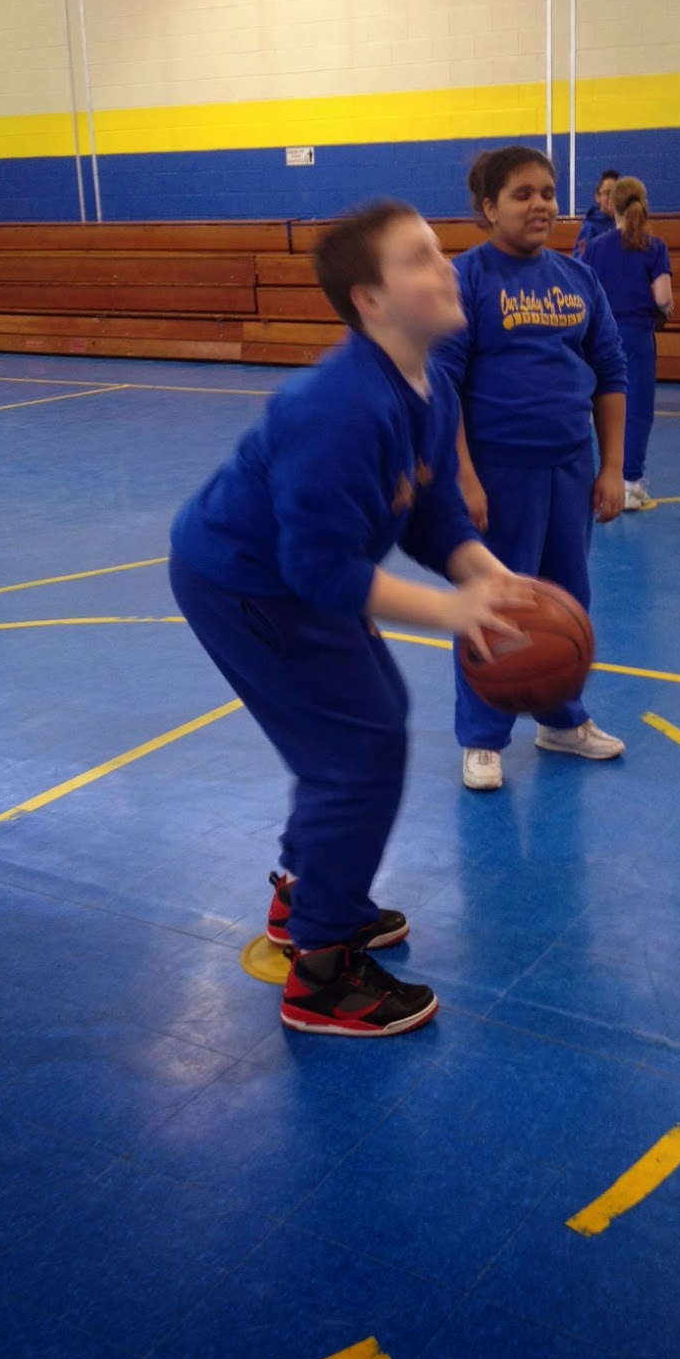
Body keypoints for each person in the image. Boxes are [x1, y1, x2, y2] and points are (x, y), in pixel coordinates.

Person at [169, 201, 530, 1036]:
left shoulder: (429, 386)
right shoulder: (334, 406)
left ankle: (307, 896)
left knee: (377, 720)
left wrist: (491, 575)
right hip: (244, 582)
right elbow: (320, 569)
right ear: (371, 299)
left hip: (295, 575)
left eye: (442, 253)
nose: (447, 268)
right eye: (420, 259)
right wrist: (451, 610)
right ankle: (322, 974)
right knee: (356, 748)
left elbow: (434, 516)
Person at [434, 146, 629, 793]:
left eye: (547, 192)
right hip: (497, 472)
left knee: (564, 604)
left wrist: (612, 468)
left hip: (571, 468)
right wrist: (464, 475)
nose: (540, 203)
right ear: (488, 208)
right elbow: (443, 385)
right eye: (522, 193)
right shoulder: (466, 281)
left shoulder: (580, 280)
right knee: (496, 607)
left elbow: (611, 374)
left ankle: (560, 721)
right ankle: (482, 738)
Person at [585, 176, 674, 512]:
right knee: (637, 409)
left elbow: (584, 292)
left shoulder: (595, 247)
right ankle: (632, 484)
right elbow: (663, 297)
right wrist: (663, 307)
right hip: (636, 335)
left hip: (602, 335)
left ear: (612, 206)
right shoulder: (655, 246)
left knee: (602, 407)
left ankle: (602, 479)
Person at [572, 168, 620, 259]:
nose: (612, 197)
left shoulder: (622, 223)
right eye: (607, 192)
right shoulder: (590, 226)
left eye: (615, 193)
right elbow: (579, 257)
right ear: (598, 197)